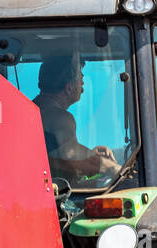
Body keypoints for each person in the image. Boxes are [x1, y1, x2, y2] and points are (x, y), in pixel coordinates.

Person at [34, 53, 120, 182]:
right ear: (69, 88)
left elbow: (58, 158)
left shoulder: (32, 110)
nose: (83, 84)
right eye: (80, 78)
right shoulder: (60, 117)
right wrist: (115, 169)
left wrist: (91, 154)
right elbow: (71, 154)